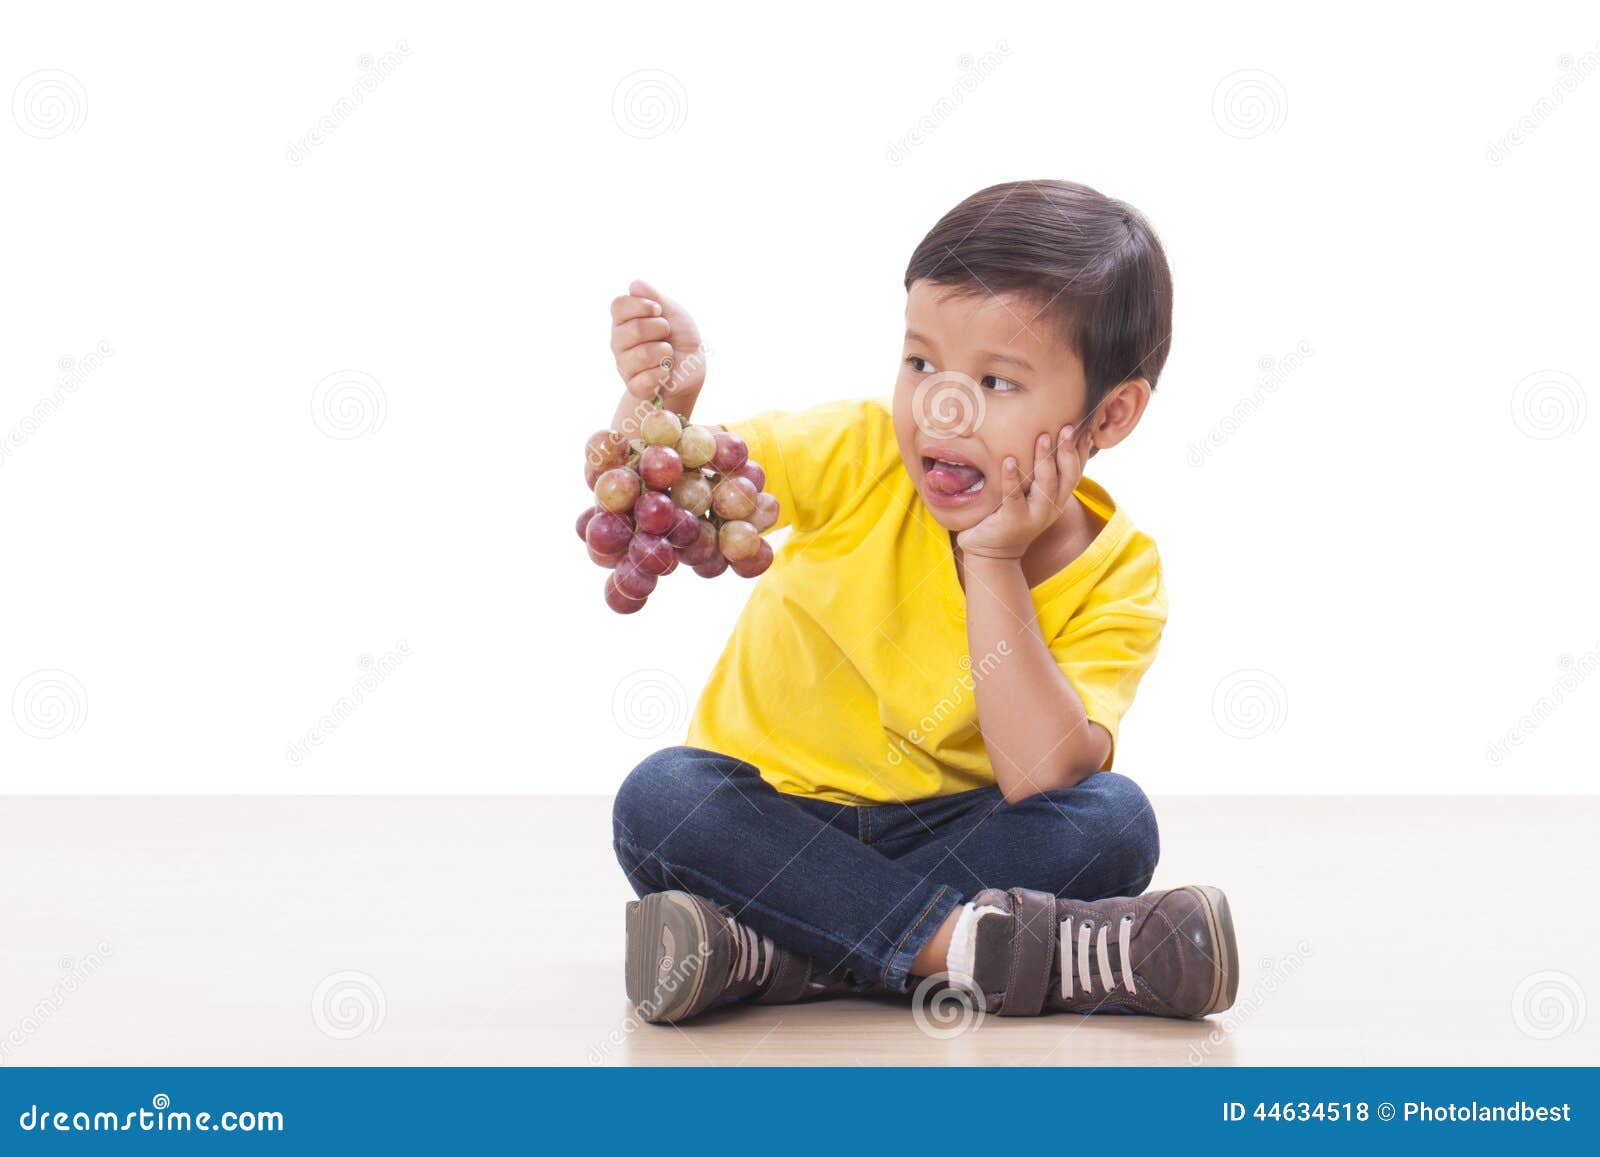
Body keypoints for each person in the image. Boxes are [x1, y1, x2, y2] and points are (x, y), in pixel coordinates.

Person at [605, 180, 1238, 1023]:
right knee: (662, 799)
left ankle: (779, 951)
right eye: (921, 363)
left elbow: (1036, 774)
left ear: (1110, 414)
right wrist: (662, 409)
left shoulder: (1120, 571)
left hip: (950, 839)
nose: (942, 406)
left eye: (998, 381)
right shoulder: (859, 448)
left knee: (1112, 824)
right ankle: (976, 950)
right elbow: (696, 488)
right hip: (768, 813)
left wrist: (994, 557)